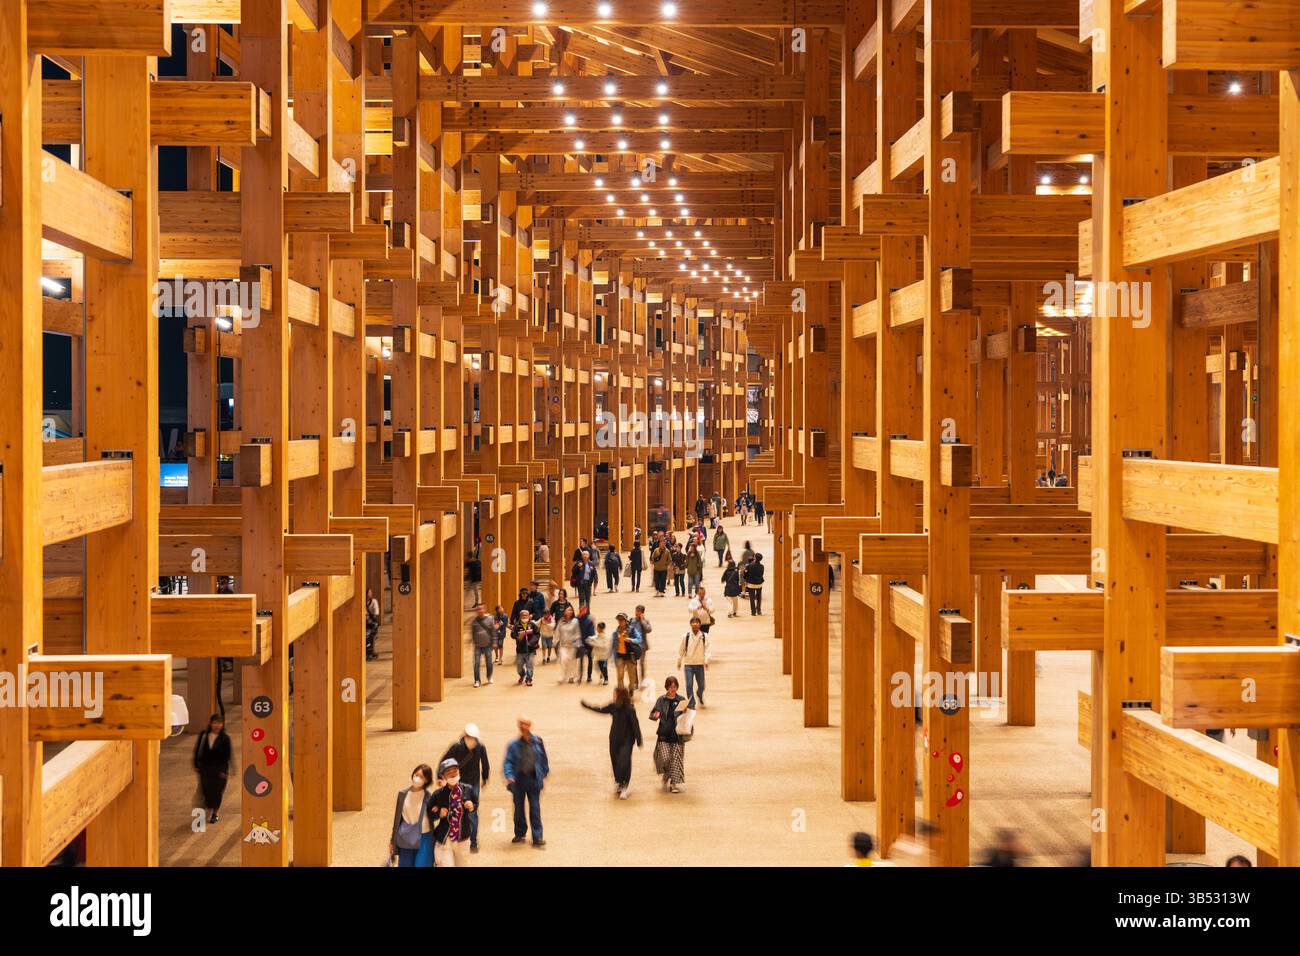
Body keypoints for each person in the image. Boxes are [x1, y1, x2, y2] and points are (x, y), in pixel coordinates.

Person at [581, 686, 643, 799]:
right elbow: (600, 709)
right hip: (614, 739)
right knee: (615, 761)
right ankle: (618, 782)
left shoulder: (630, 709)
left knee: (624, 762)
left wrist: (639, 739)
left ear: (621, 695)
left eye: (615, 694)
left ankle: (625, 786)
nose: (614, 696)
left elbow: (635, 725)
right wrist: (587, 706)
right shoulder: (613, 706)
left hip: (627, 740)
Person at [441, 724, 490, 853]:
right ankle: (454, 837)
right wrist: (440, 776)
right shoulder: (456, 747)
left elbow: (485, 763)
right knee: (455, 810)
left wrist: (485, 778)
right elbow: (445, 760)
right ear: (465, 735)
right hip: (458, 783)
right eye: (470, 737)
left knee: (472, 812)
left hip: (473, 783)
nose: (472, 740)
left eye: (474, 738)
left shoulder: (480, 747)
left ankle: (473, 842)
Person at [503, 715, 549, 847]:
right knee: (518, 809)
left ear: (530, 725)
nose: (523, 726)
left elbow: (543, 758)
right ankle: (520, 833)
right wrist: (509, 775)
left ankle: (537, 837)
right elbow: (508, 762)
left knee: (535, 809)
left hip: (533, 780)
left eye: (526, 724)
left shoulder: (538, 741)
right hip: (518, 781)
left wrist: (544, 772)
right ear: (518, 726)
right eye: (521, 724)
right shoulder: (513, 745)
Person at [429, 758, 477, 867]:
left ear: (459, 771)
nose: (452, 774)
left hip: (463, 839)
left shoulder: (468, 789)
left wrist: (472, 806)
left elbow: (475, 803)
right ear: (443, 776)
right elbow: (429, 813)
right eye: (448, 772)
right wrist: (438, 814)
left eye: (454, 770)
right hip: (445, 840)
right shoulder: (438, 794)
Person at [649, 677, 690, 793]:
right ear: (667, 687)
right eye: (671, 687)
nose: (673, 689)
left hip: (677, 735)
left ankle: (674, 784)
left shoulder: (682, 700)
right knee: (665, 758)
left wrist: (686, 711)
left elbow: (687, 717)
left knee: (676, 760)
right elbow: (653, 715)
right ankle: (666, 774)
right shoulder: (661, 700)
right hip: (664, 734)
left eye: (675, 686)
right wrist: (657, 715)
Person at [389, 764, 434, 867]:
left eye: (421, 777)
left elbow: (434, 816)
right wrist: (392, 840)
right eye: (416, 774)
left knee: (422, 864)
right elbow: (397, 819)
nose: (417, 778)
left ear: (426, 780)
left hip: (425, 837)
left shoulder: (429, 796)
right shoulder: (402, 794)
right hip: (407, 836)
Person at [192, 713, 232, 824]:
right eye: (215, 722)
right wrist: (196, 764)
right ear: (211, 723)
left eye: (219, 723)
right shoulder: (204, 735)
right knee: (204, 791)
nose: (217, 725)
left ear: (222, 724)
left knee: (217, 792)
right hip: (205, 769)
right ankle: (202, 815)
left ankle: (215, 813)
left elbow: (228, 755)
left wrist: (226, 771)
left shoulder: (225, 738)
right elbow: (197, 750)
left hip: (219, 771)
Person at [677, 616, 710, 709]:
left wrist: (706, 660)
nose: (695, 624)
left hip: (699, 664)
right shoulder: (686, 636)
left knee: (702, 685)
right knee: (688, 685)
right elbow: (681, 650)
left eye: (697, 622)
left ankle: (699, 694)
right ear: (690, 624)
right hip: (688, 665)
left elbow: (707, 649)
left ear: (700, 624)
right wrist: (679, 661)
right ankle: (691, 703)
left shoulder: (704, 636)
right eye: (693, 622)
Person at [613, 613, 641, 692]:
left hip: (630, 657)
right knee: (620, 676)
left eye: (622, 620)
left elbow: (639, 639)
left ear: (626, 621)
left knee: (631, 677)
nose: (620, 622)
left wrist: (631, 640)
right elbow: (614, 646)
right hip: (620, 656)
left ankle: (631, 690)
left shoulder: (632, 630)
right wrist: (614, 658)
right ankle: (621, 693)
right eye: (619, 620)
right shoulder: (616, 632)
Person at [470, 604, 496, 687]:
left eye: (481, 609)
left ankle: (489, 676)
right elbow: (473, 633)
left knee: (489, 663)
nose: (479, 611)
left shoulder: (490, 619)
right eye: (478, 609)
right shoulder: (474, 621)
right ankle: (477, 680)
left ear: (484, 610)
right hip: (478, 646)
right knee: (476, 663)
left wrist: (494, 642)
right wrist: (474, 641)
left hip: (487, 644)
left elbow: (493, 631)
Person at [513, 609, 540, 686]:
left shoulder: (532, 624)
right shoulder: (517, 625)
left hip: (531, 650)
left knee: (530, 665)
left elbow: (537, 634)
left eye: (526, 615)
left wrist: (531, 642)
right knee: (519, 667)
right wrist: (518, 636)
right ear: (520, 616)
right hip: (520, 650)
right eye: (523, 615)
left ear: (529, 616)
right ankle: (522, 675)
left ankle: (529, 679)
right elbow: (512, 634)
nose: (524, 617)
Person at [555, 606, 580, 683]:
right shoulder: (561, 621)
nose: (569, 612)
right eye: (567, 610)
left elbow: (578, 632)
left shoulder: (575, 621)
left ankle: (571, 676)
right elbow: (557, 631)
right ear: (565, 612)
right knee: (563, 660)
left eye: (570, 610)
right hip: (563, 645)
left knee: (572, 662)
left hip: (572, 645)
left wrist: (576, 642)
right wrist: (555, 641)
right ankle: (563, 676)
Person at [632, 605, 653, 684]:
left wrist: (642, 621)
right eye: (636, 611)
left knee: (641, 664)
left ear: (642, 613)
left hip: (642, 646)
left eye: (638, 611)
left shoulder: (646, 621)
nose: (636, 613)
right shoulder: (632, 621)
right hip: (634, 646)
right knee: (634, 664)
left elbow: (649, 630)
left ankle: (643, 679)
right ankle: (635, 682)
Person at [575, 604, 596, 683]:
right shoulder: (577, 619)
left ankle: (589, 676)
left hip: (588, 643)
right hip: (580, 643)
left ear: (586, 610)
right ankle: (580, 676)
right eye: (581, 609)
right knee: (581, 660)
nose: (582, 611)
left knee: (590, 660)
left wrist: (592, 642)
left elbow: (592, 632)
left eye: (584, 609)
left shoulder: (589, 620)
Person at [365, 588, 381, 660]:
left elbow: (376, 612)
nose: (370, 594)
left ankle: (370, 651)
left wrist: (369, 618)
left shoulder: (374, 601)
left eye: (370, 593)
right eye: (369, 593)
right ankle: (368, 652)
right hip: (365, 622)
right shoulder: (363, 602)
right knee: (367, 637)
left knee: (370, 637)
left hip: (372, 623)